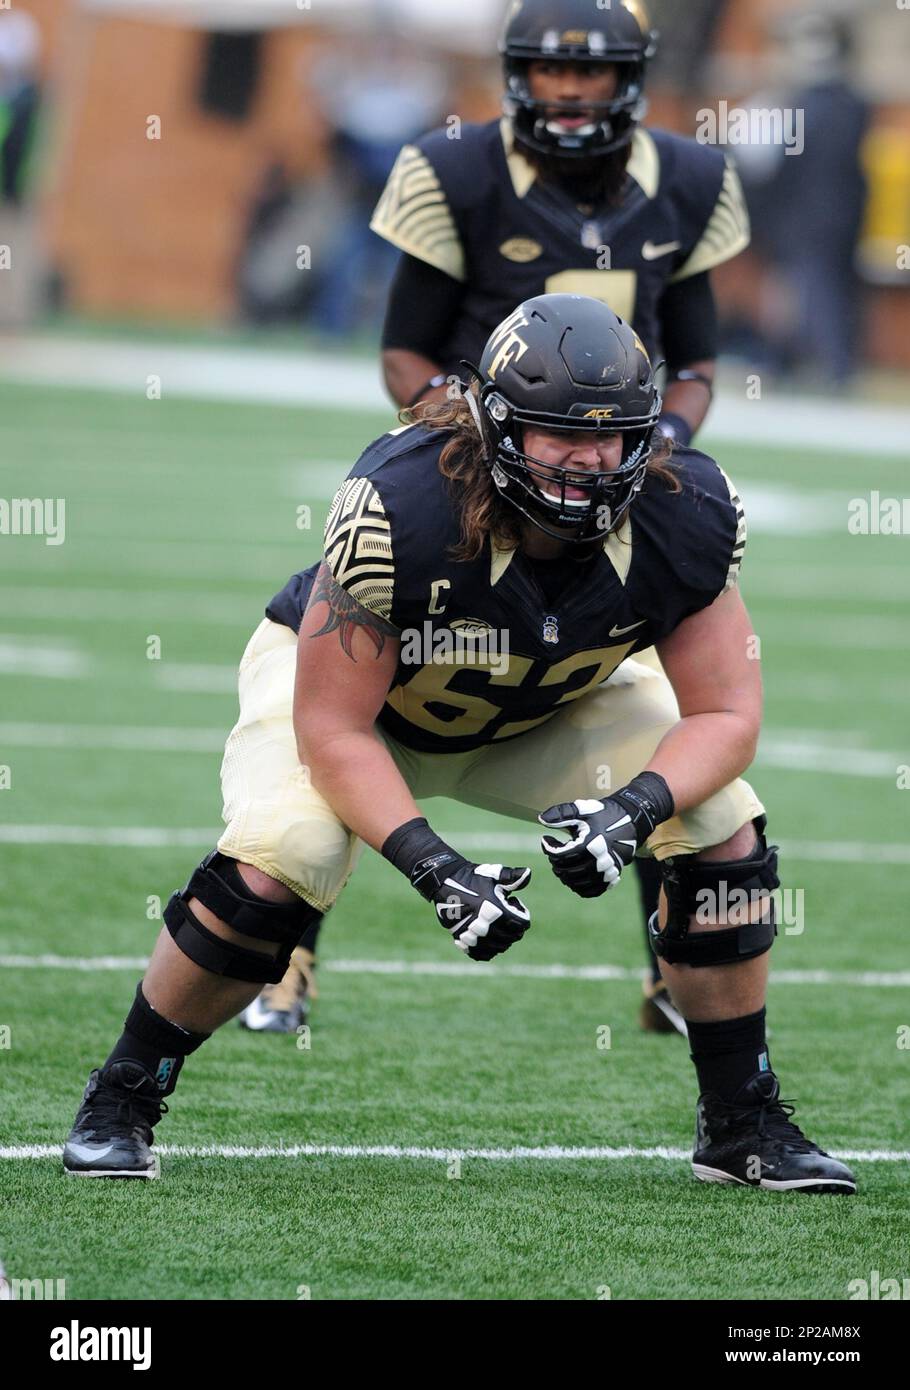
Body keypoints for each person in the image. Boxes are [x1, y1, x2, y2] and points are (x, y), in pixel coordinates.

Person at [62, 294, 855, 1195]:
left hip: (543, 711)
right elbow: (332, 730)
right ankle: (123, 1096)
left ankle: (742, 1123)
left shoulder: (687, 508)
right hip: (369, 716)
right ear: (496, 425)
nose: (592, 462)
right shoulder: (400, 506)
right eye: (562, 436)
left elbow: (724, 716)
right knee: (289, 851)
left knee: (719, 820)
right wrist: (437, 868)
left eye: (613, 436)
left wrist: (632, 810)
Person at [248, 0, 752, 1036]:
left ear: (634, 78)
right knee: (359, 697)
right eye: (549, 73)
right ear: (515, 73)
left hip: (617, 481)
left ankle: (677, 966)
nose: (569, 93)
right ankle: (285, 949)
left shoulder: (693, 179)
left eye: (593, 75)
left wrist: (654, 456)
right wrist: (474, 446)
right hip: (479, 473)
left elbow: (696, 361)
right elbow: (405, 349)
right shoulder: (452, 167)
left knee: (654, 729)